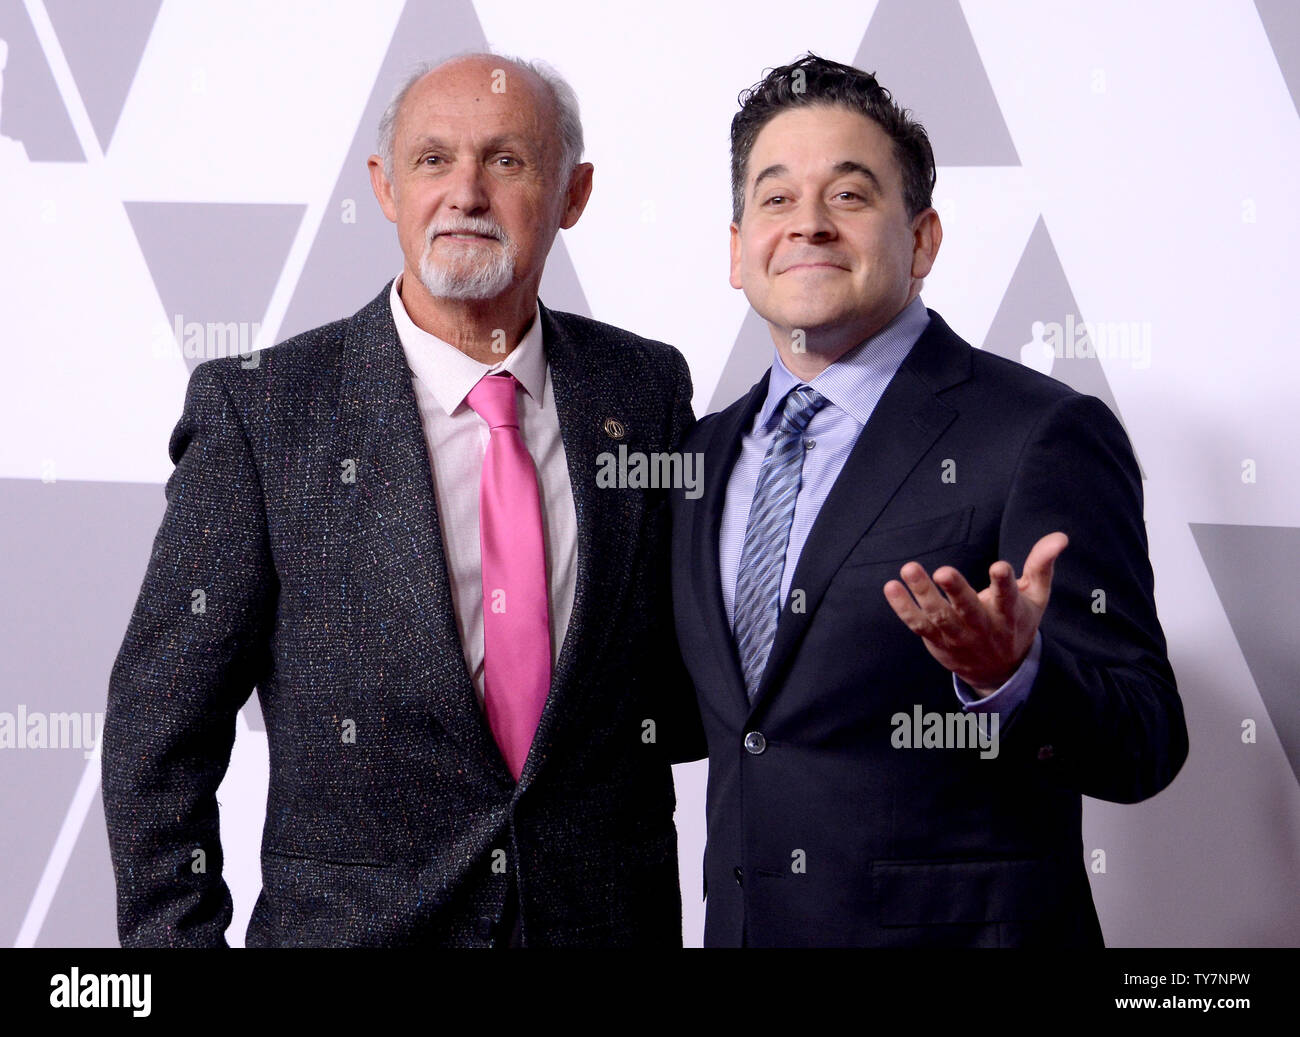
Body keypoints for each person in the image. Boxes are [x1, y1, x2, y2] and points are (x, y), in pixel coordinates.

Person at [103, 52, 703, 948]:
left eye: (507, 160)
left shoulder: (643, 388)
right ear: (385, 187)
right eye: (433, 161)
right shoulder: (264, 412)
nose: (465, 192)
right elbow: (159, 729)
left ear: (573, 194)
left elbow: (689, 675)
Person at [669, 53, 1188, 947]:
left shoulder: (1040, 434)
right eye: (777, 197)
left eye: (851, 195)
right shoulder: (702, 455)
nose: (810, 226)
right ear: (736, 248)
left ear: (924, 242)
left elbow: (1145, 737)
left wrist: (1007, 676)